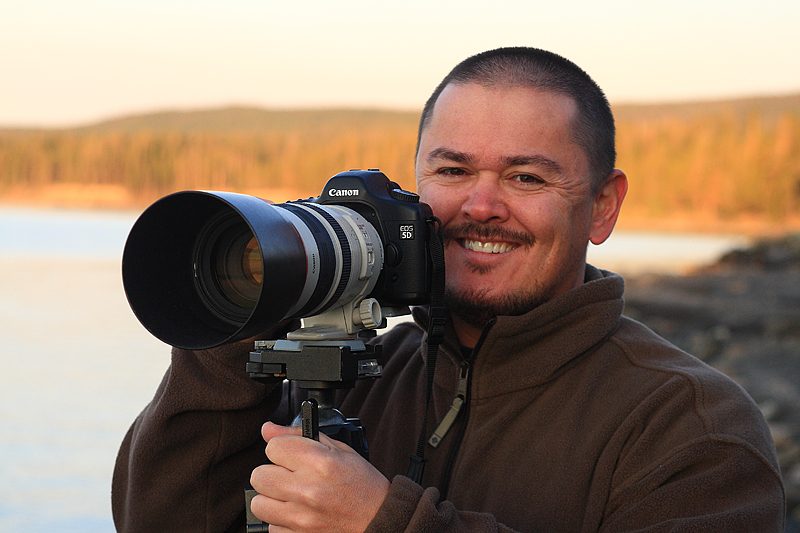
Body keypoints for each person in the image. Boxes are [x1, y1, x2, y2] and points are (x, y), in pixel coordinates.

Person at [112, 47, 785, 532]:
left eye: (526, 177)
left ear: (603, 206)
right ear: (416, 183)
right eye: (453, 169)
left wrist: (387, 522)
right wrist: (239, 329)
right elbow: (160, 517)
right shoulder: (355, 373)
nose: (480, 205)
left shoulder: (691, 426)